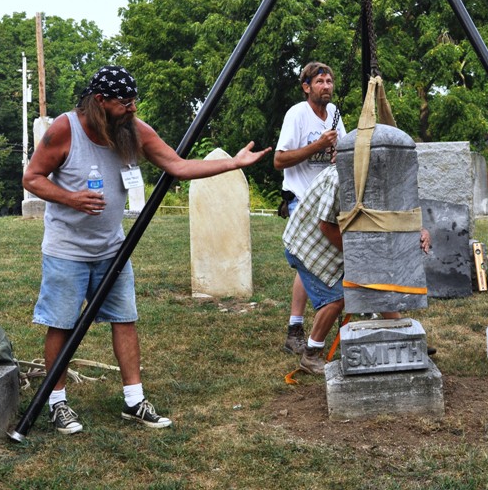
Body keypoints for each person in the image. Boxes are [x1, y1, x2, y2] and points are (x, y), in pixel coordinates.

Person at [23, 65, 271, 435]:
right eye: (125, 102)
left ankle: (134, 400)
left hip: (113, 250)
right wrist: (71, 198)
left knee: (125, 319)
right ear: (100, 101)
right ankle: (56, 404)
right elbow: (32, 178)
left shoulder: (133, 131)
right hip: (66, 250)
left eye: (134, 100)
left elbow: (177, 165)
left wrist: (232, 163)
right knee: (61, 324)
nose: (132, 108)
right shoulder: (64, 129)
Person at [282, 164, 431, 375]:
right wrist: (357, 258)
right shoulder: (341, 179)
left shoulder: (378, 176)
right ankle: (311, 355)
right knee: (336, 298)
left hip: (337, 245)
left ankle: (405, 339)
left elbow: (395, 212)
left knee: (373, 282)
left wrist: (419, 230)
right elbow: (326, 225)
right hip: (308, 246)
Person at [274, 62, 347, 355]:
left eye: (329, 81)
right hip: (302, 198)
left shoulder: (335, 114)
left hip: (329, 199)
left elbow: (341, 152)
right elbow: (279, 160)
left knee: (316, 259)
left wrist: (335, 152)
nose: (326, 86)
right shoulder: (297, 114)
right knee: (308, 258)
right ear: (306, 87)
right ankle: (296, 329)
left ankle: (324, 321)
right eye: (320, 82)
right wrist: (317, 145)